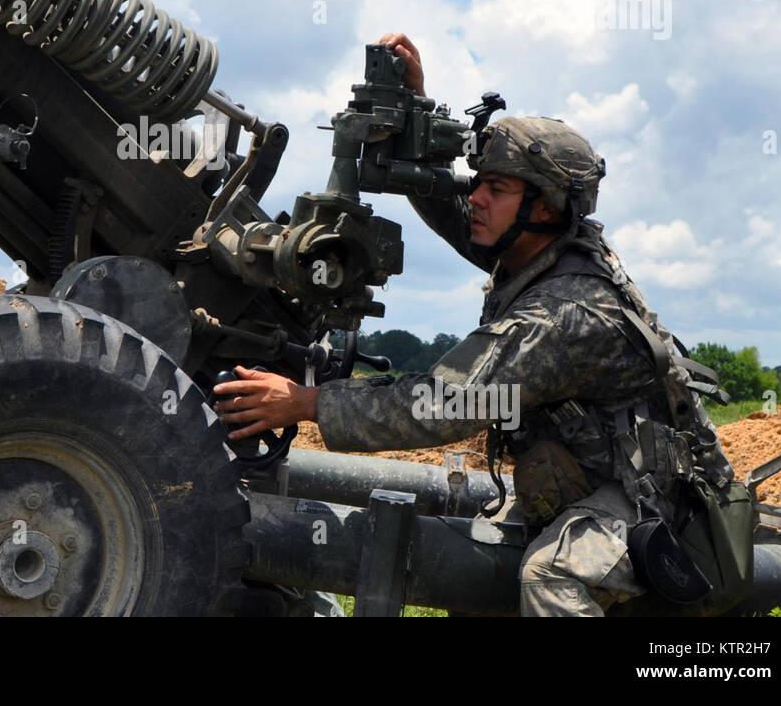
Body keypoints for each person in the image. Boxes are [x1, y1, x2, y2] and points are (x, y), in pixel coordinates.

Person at [214, 32, 736, 616]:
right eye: (480, 181)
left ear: (543, 207)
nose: (476, 197)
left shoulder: (564, 313)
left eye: (497, 187)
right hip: (581, 484)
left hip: (649, 502)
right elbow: (459, 214)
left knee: (550, 577)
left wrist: (306, 403)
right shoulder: (538, 249)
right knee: (471, 558)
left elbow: (445, 404)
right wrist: (416, 106)